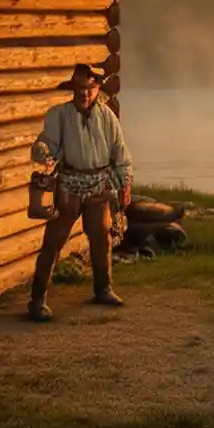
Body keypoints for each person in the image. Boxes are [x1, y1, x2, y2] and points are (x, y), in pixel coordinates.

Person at [27, 63, 133, 322]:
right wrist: (43, 150)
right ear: (73, 89)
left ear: (97, 89)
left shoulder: (107, 116)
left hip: (99, 185)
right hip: (69, 185)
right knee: (53, 241)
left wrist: (125, 183)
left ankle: (103, 288)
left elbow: (119, 150)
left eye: (90, 88)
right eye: (81, 88)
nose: (85, 93)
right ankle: (37, 299)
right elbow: (47, 143)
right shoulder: (59, 115)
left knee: (102, 238)